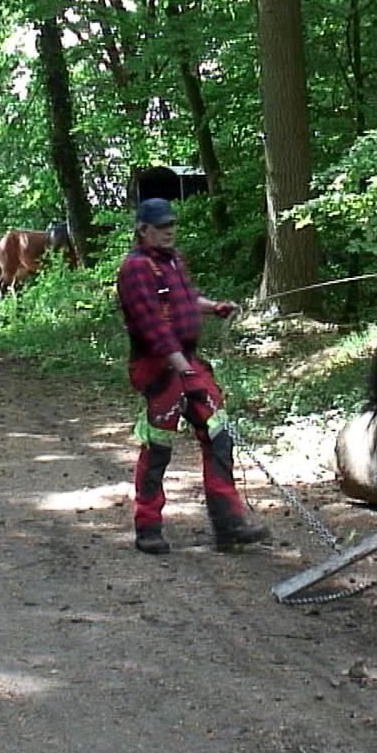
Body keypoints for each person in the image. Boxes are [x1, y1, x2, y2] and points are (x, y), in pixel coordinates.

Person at [117, 196, 271, 554]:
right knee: (158, 447)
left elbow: (185, 301)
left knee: (219, 437)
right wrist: (182, 371)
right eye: (162, 227)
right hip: (158, 367)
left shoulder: (172, 262)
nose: (170, 231)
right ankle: (148, 528)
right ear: (144, 230)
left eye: (172, 225)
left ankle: (229, 524)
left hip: (187, 361)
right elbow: (153, 325)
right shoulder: (136, 269)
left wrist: (214, 307)